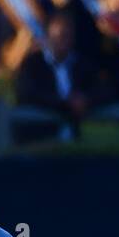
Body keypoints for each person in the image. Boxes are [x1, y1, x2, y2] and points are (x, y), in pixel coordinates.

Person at [13, 10, 97, 143]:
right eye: (61, 36)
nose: (65, 41)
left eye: (69, 36)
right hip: (37, 139)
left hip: (71, 141)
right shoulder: (32, 63)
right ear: (48, 36)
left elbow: (100, 88)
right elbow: (26, 93)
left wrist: (85, 99)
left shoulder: (80, 64)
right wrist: (64, 104)